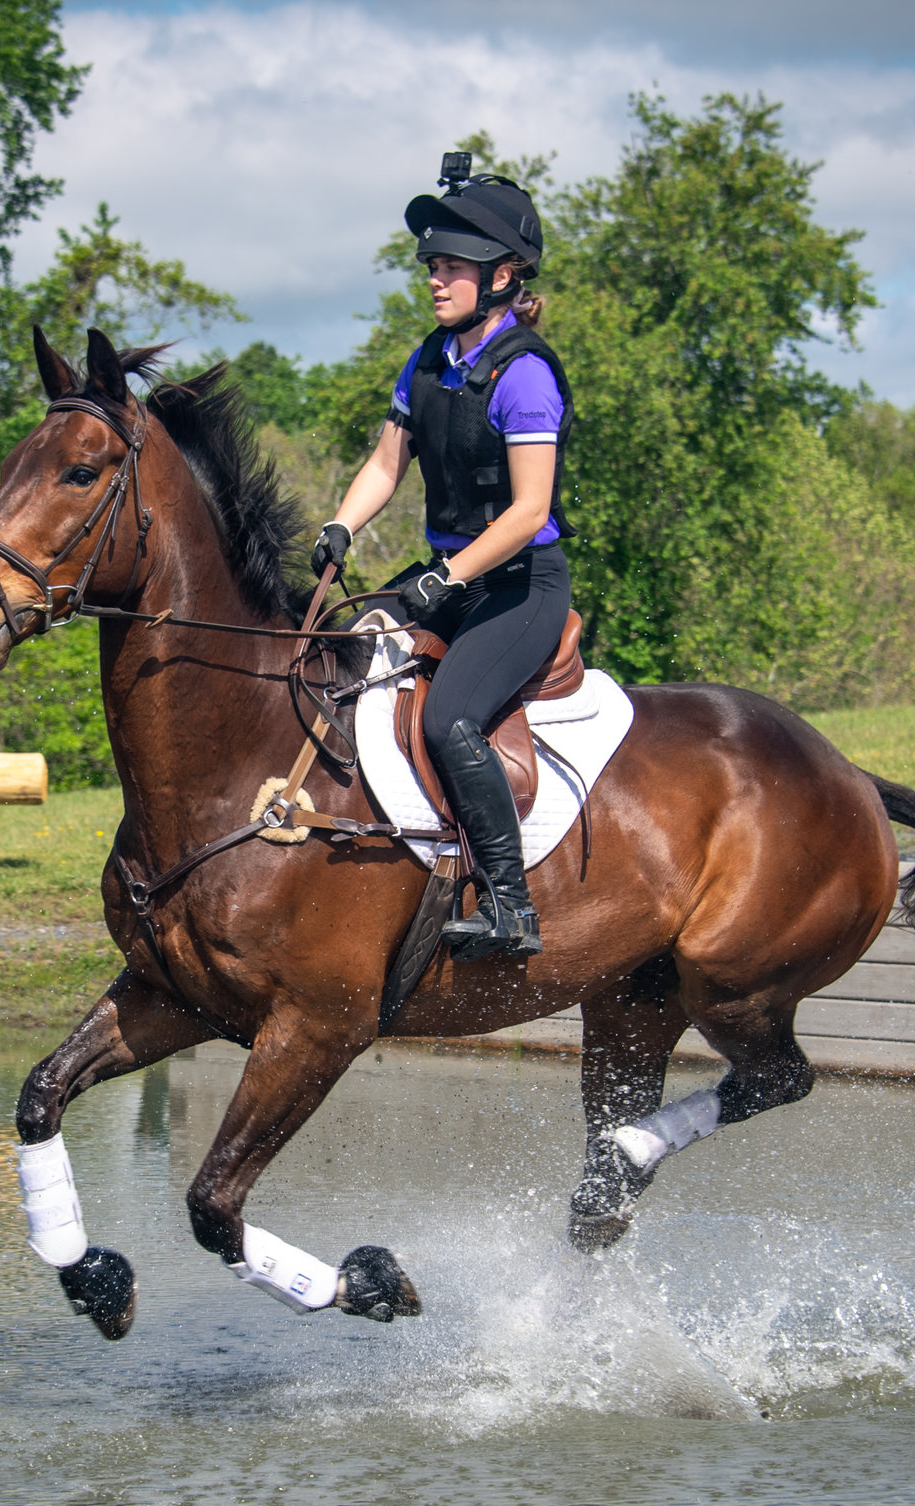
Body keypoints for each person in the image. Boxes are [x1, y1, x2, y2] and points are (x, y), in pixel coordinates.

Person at [311, 156, 575, 962]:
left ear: (502, 276)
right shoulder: (429, 358)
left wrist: (447, 576)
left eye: (450, 266)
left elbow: (530, 511)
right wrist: (342, 525)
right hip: (450, 581)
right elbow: (388, 465)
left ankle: (509, 905)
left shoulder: (524, 375)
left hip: (518, 588)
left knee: (451, 718)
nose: (434, 280)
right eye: (431, 266)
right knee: (325, 653)